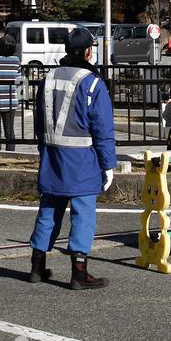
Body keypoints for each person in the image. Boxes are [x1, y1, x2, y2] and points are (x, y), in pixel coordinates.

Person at [29, 27, 116, 289]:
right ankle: (79, 272)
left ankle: (36, 266)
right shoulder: (91, 83)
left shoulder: (48, 78)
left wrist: (43, 150)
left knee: (49, 209)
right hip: (81, 158)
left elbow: (38, 119)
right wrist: (108, 165)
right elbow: (102, 128)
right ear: (89, 51)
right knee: (83, 213)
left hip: (52, 154)